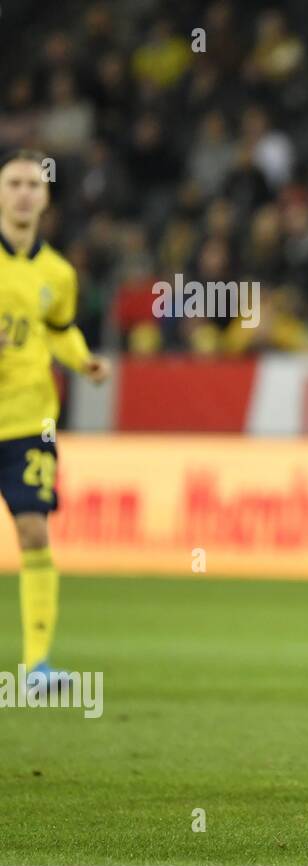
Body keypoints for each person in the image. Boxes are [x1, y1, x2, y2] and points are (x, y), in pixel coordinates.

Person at [0, 150, 112, 689]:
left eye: (32, 185)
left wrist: (82, 360)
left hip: (27, 420)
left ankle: (36, 666)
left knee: (33, 531)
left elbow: (58, 328)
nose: (23, 192)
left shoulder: (58, 273)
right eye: (13, 182)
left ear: (44, 198)